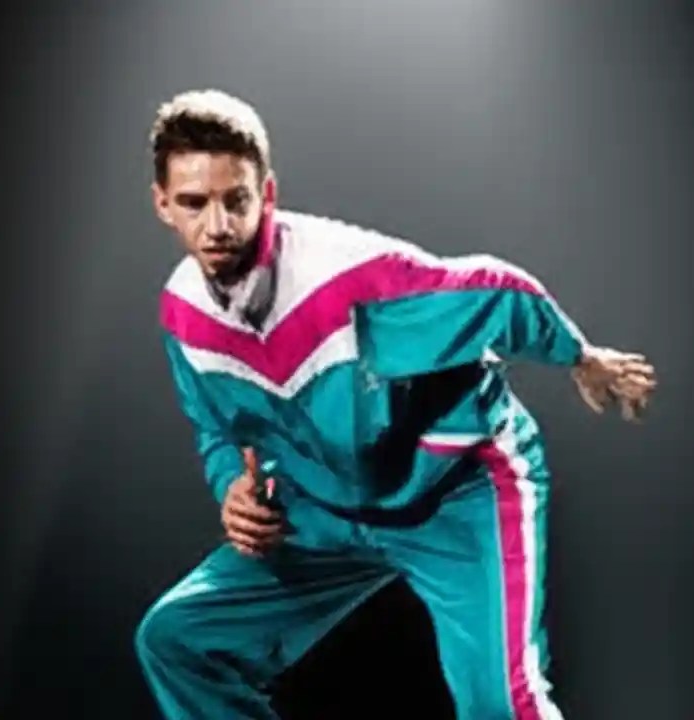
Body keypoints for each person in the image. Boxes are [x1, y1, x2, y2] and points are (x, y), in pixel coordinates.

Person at [133, 88, 657, 720]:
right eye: (193, 203)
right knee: (177, 640)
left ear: (266, 194)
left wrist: (580, 356)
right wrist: (231, 491)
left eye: (234, 200)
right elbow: (218, 429)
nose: (216, 225)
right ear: (163, 204)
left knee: (500, 705)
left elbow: (496, 290)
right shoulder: (184, 315)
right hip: (329, 513)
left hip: (457, 499)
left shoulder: (346, 281)